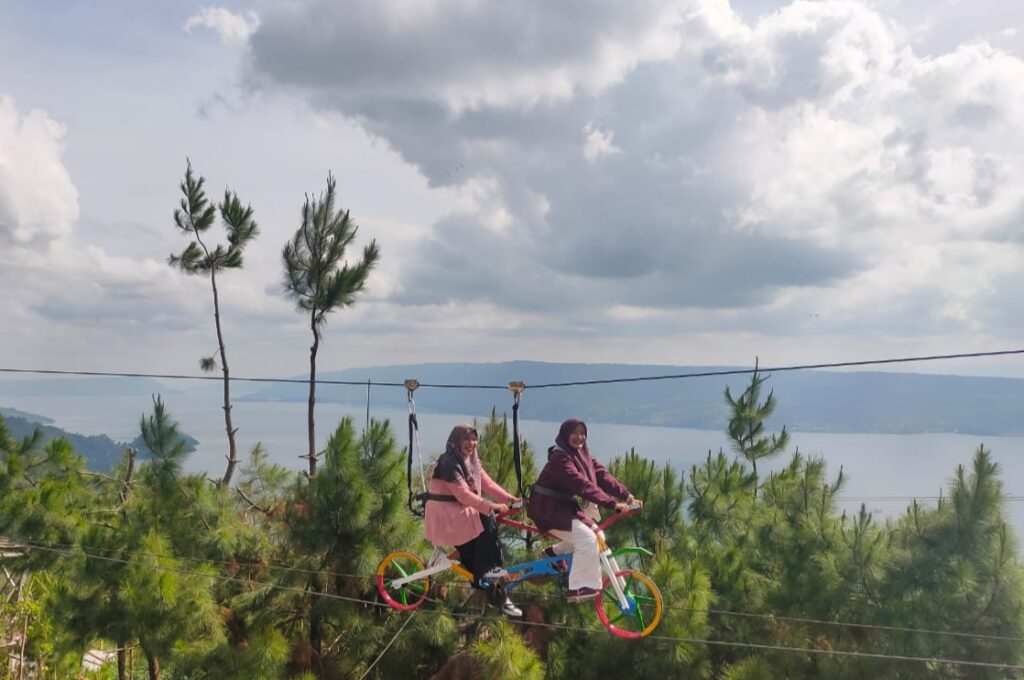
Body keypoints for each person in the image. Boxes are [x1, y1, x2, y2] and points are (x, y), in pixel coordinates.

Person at [527, 418, 641, 602]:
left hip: (563, 507)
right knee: (588, 540)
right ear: (565, 435)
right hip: (546, 509)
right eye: (575, 433)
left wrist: (627, 496)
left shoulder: (582, 455)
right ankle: (579, 587)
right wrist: (612, 504)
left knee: (599, 537)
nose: (579, 437)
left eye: (582, 433)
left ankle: (554, 554)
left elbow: (602, 476)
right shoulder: (560, 458)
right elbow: (582, 485)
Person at [423, 424, 522, 617]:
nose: (472, 443)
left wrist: (511, 500)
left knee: (474, 557)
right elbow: (464, 496)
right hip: (446, 515)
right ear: (457, 441)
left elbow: (488, 484)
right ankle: (491, 571)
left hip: (459, 512)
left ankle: (496, 594)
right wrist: (491, 507)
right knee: (485, 517)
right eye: (467, 439)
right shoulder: (448, 464)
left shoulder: (471, 462)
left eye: (474, 439)